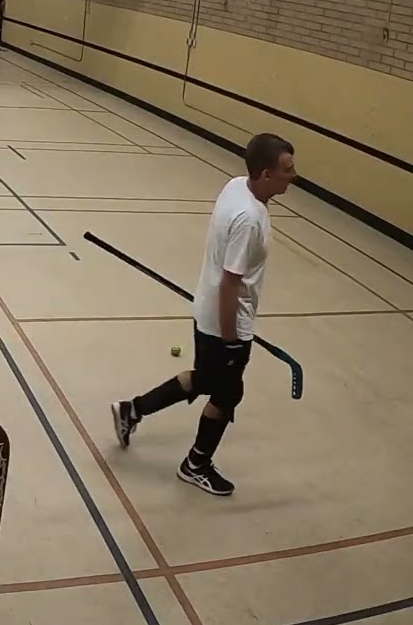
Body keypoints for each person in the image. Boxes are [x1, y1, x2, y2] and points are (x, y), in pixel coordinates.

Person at [111, 133, 297, 496]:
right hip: (227, 319)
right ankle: (195, 464)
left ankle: (132, 410)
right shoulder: (249, 218)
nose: (294, 176)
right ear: (264, 174)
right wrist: (231, 341)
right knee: (227, 394)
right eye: (286, 170)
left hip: (209, 310)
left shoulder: (237, 187)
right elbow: (231, 282)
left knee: (209, 380)